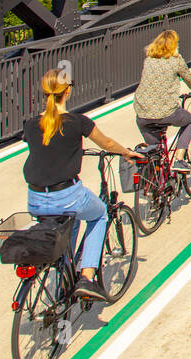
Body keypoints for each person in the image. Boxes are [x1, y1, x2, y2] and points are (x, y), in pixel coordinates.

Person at [23, 69, 145, 301]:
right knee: (98, 215)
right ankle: (86, 278)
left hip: (36, 199)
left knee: (67, 224)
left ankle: (63, 277)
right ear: (67, 91)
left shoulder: (30, 125)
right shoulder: (78, 122)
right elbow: (106, 142)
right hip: (67, 195)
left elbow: (46, 150)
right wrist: (127, 153)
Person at [133, 30, 191, 173]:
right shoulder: (176, 60)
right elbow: (190, 81)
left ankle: (155, 179)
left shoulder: (149, 59)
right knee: (188, 121)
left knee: (156, 151)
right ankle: (179, 159)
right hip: (166, 112)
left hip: (142, 113)